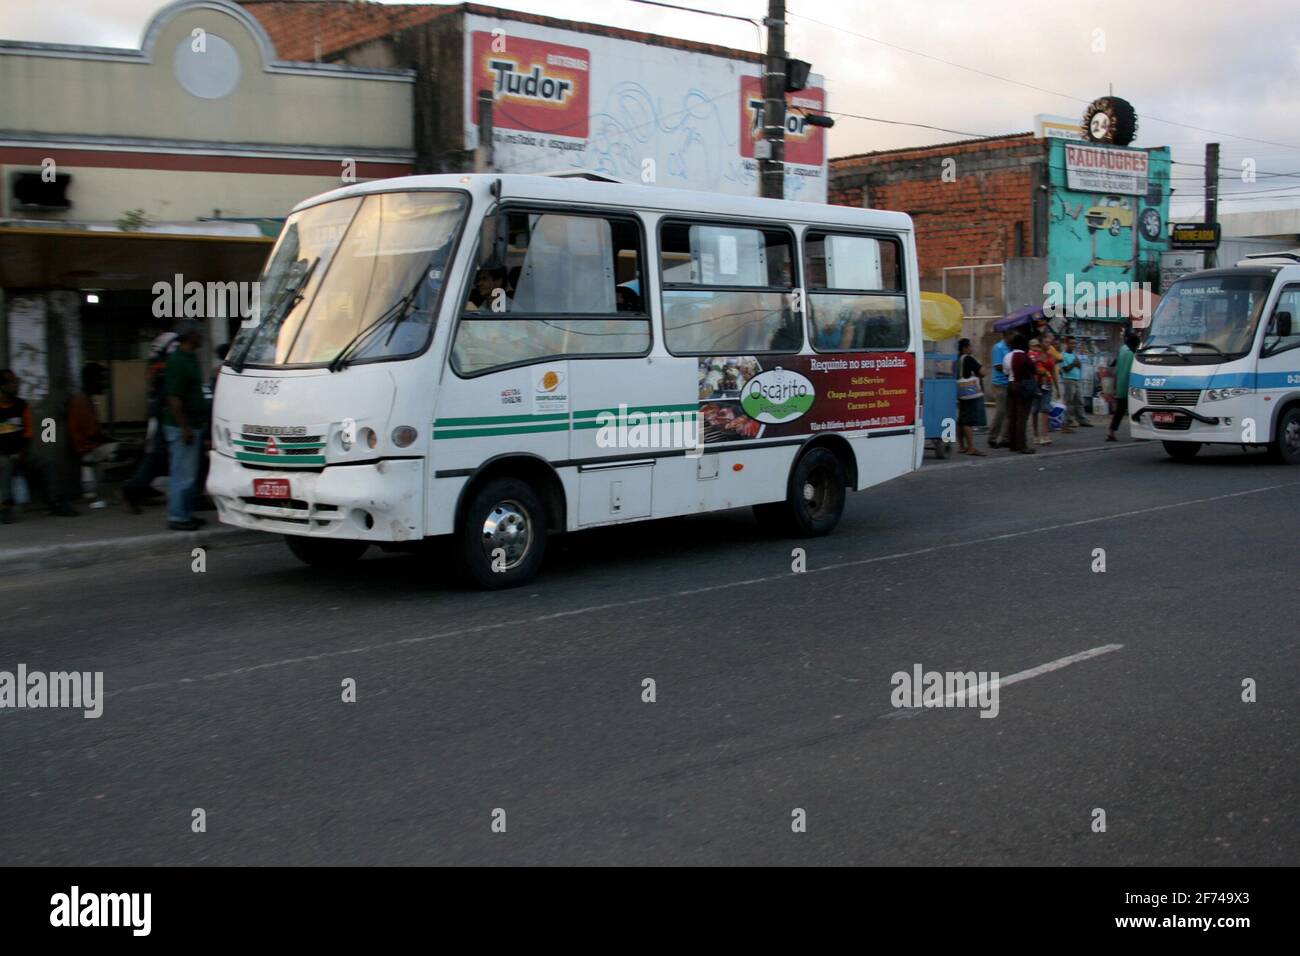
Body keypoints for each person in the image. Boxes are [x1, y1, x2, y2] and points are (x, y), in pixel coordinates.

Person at [123, 332, 179, 512]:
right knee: (156, 456)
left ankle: (138, 488)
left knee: (155, 455)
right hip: (164, 413)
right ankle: (134, 488)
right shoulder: (172, 344)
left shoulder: (160, 345)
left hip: (158, 411)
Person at [162, 321, 208, 530]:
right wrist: (185, 427)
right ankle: (178, 516)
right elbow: (174, 398)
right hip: (183, 426)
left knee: (190, 473)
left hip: (193, 424)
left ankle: (186, 512)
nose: (202, 336)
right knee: (183, 473)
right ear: (191, 336)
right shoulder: (179, 361)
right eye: (198, 333)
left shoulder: (189, 358)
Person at [67, 363, 120, 509]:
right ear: (91, 380)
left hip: (88, 447)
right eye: (101, 379)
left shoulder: (85, 399)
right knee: (127, 450)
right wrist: (116, 441)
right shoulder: (82, 401)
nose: (104, 384)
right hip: (86, 449)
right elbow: (93, 433)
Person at [0, 369, 33, 524]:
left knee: (47, 462)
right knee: (6, 464)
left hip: (20, 452)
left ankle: (56, 502)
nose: (16, 385)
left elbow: (28, 431)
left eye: (16, 381)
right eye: (12, 382)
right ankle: (5, 507)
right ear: (3, 386)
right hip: (3, 455)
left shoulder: (21, 405)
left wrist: (23, 451)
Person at [1004, 334, 1036, 454]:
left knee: (1012, 416)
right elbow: (1033, 370)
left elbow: (1005, 371)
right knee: (1022, 417)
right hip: (1023, 386)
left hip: (1011, 385)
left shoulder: (1008, 356)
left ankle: (1012, 444)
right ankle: (1022, 445)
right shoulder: (1025, 357)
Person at [955, 338, 987, 456]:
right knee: (968, 420)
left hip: (960, 391)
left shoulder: (957, 359)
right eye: (970, 346)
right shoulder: (968, 359)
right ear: (965, 348)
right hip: (970, 392)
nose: (971, 348)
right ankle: (971, 447)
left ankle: (962, 446)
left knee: (961, 419)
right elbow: (983, 372)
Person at [1107, 331, 1140, 442]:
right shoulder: (1132, 353)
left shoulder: (1122, 349)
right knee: (1137, 409)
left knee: (1119, 411)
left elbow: (1113, 363)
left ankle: (1111, 432)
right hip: (1131, 387)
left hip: (1120, 386)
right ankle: (1139, 433)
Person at [988, 328, 1014, 449]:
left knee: (1009, 412)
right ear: (1006, 335)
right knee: (1001, 411)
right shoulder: (998, 347)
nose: (1013, 337)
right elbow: (997, 365)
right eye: (1012, 335)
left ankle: (1005, 437)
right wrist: (1010, 370)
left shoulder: (1011, 348)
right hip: (1000, 382)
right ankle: (992, 437)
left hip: (1009, 382)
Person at [1059, 335, 1092, 428]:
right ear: (1066, 344)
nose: (1073, 345)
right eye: (1071, 343)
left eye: (1074, 343)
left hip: (1077, 379)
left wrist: (1077, 364)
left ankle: (1082, 419)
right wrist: (1074, 364)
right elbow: (1065, 369)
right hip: (1068, 380)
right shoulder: (1063, 355)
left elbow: (1079, 365)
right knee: (1069, 401)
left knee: (1080, 401)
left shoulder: (1074, 354)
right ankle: (1069, 420)